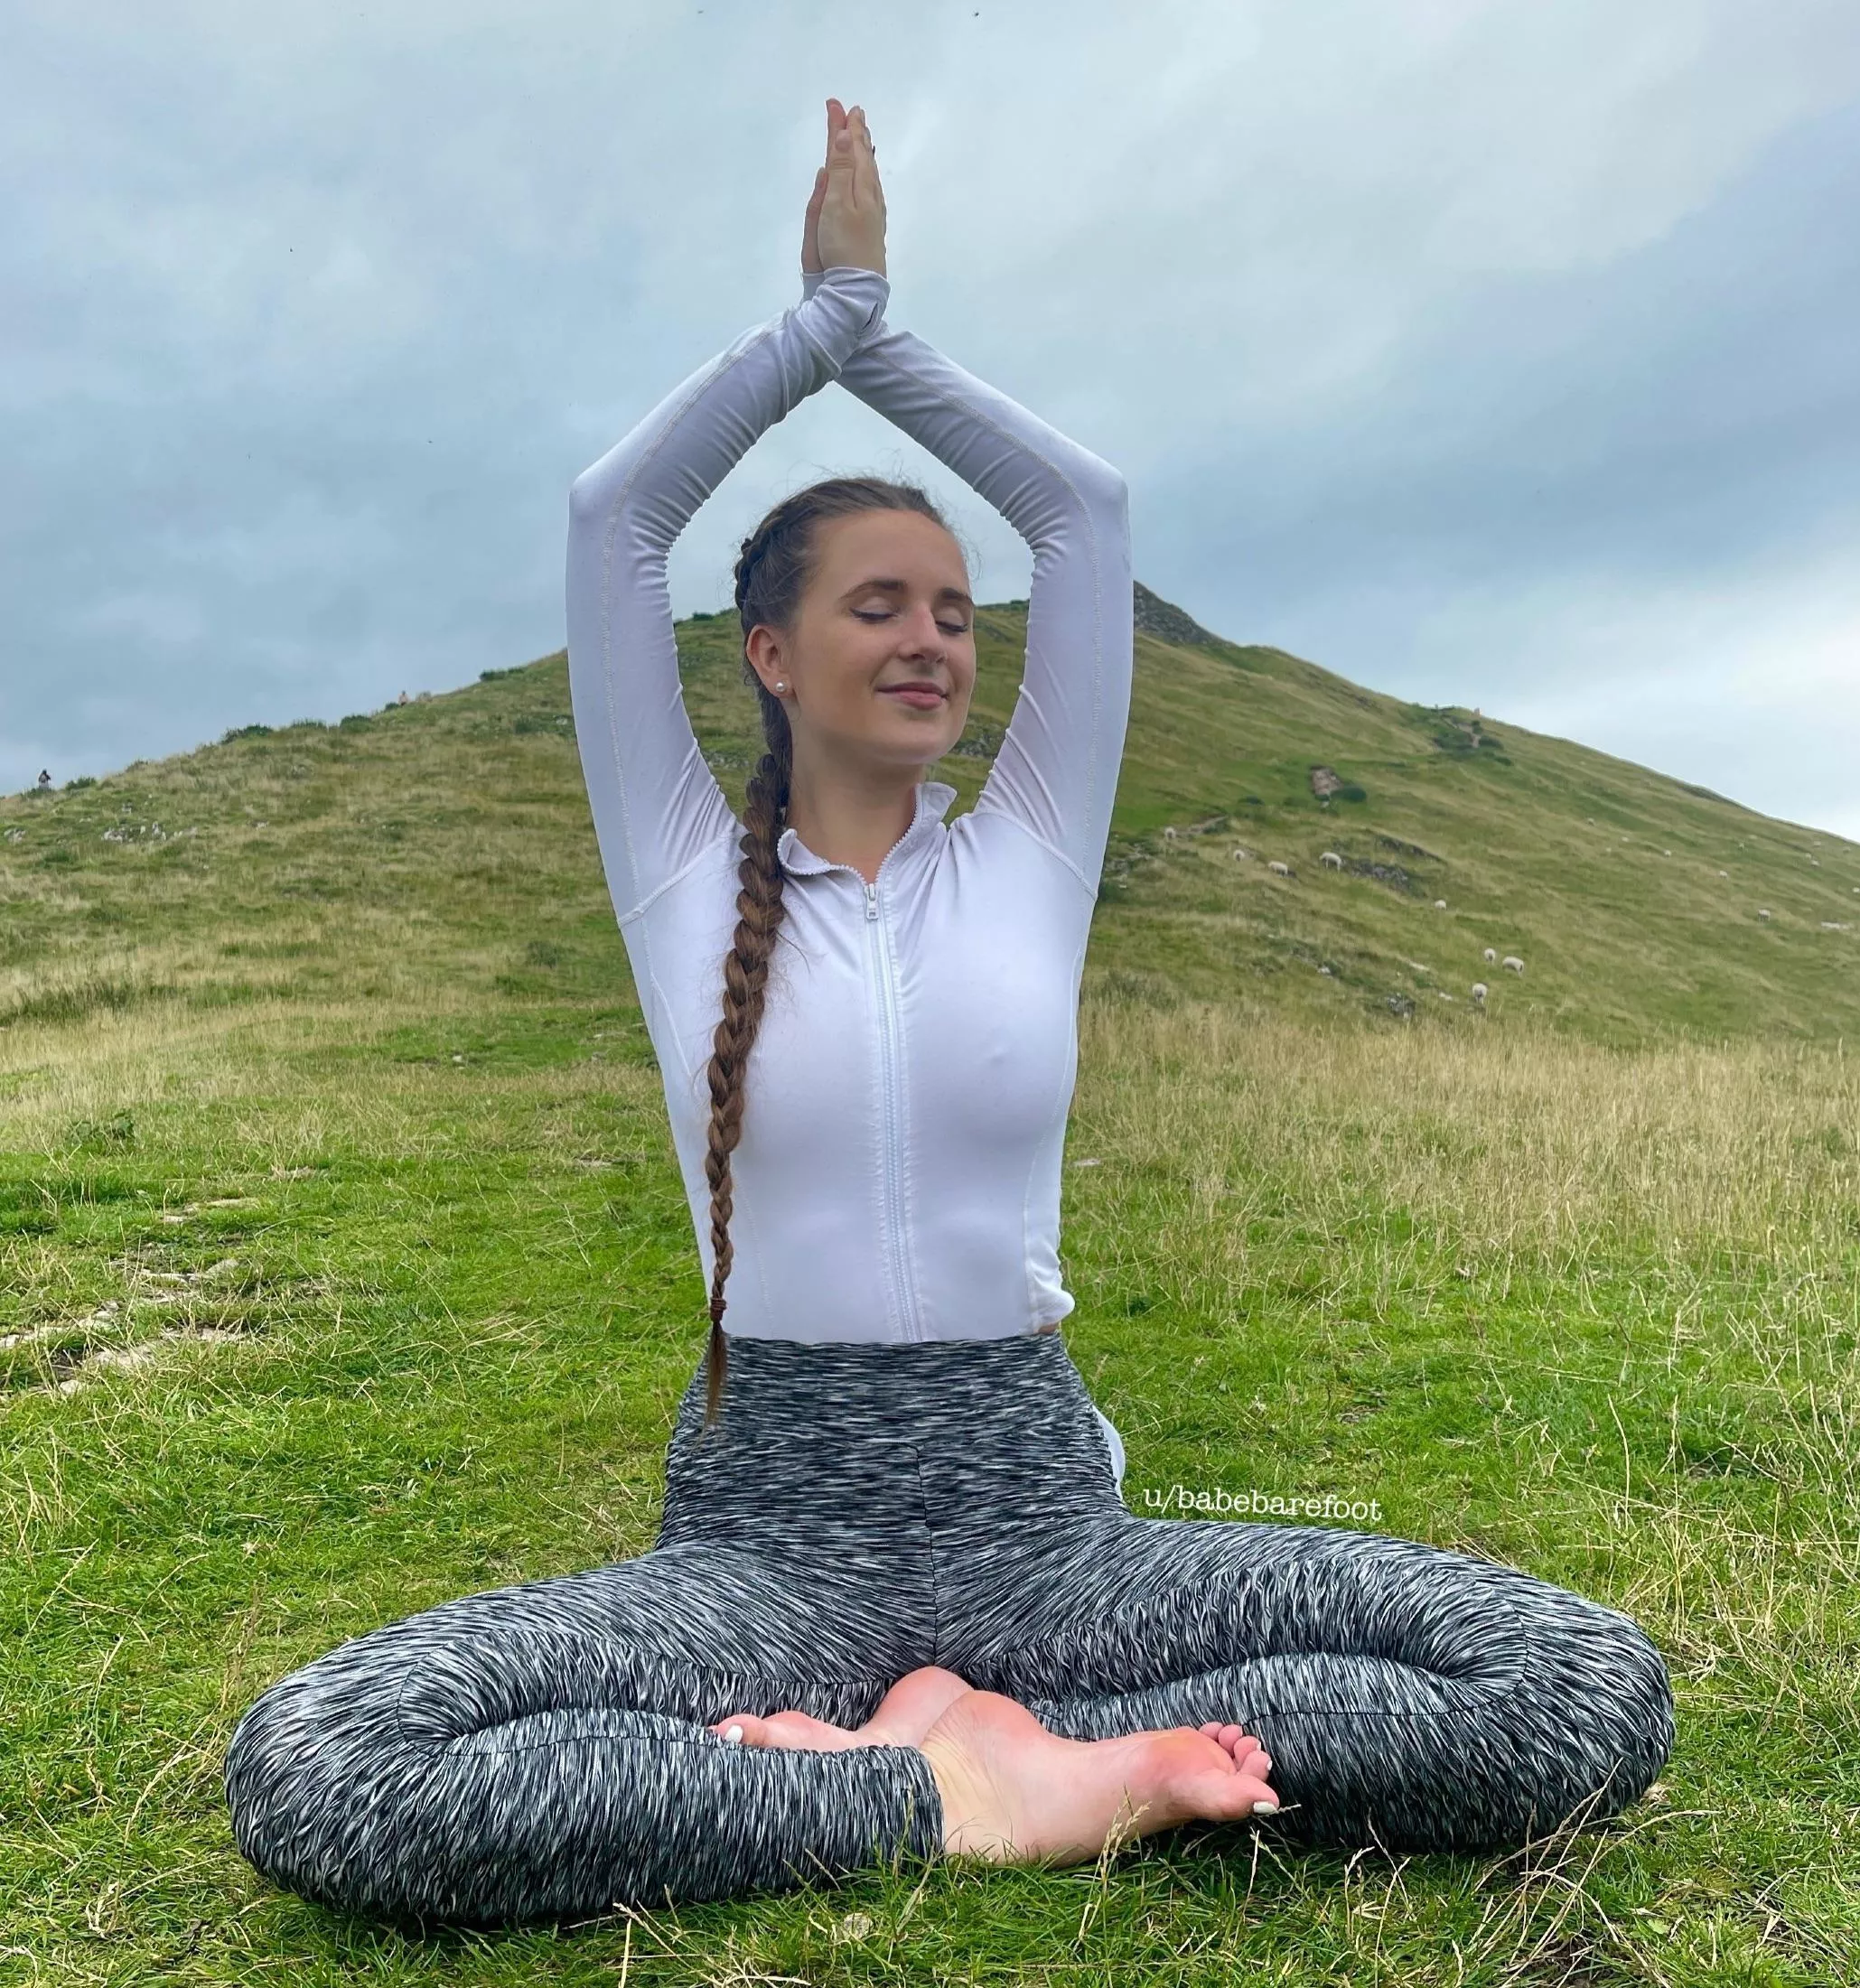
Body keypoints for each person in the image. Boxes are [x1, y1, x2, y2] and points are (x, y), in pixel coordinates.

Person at [223, 98, 1675, 1930]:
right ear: (768, 653)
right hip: (771, 1547)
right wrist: (816, 328)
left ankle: (981, 1753)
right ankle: (964, 1784)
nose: (931, 638)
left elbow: (1082, 511)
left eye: (954, 614)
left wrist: (885, 332)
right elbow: (615, 518)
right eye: (877, 606)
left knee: (1568, 1689)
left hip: (1041, 1530)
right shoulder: (680, 872)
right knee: (333, 1764)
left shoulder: (1029, 855)